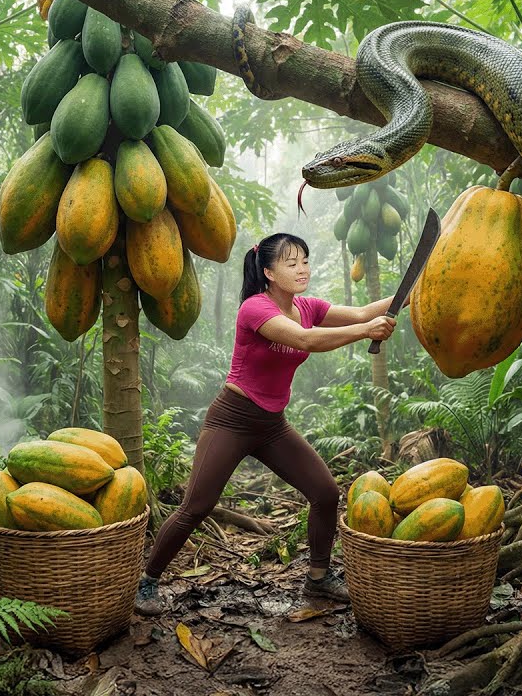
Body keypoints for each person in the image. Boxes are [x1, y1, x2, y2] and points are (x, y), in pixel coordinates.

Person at [135, 232, 397, 616]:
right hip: (232, 419)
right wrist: (365, 332)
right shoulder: (255, 309)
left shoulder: (307, 306)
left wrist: (413, 289)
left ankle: (319, 579)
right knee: (197, 506)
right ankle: (149, 581)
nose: (302, 268)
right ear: (270, 272)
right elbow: (306, 340)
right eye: (292, 263)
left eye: (305, 260)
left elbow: (360, 312)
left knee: (325, 493)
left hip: (272, 425)